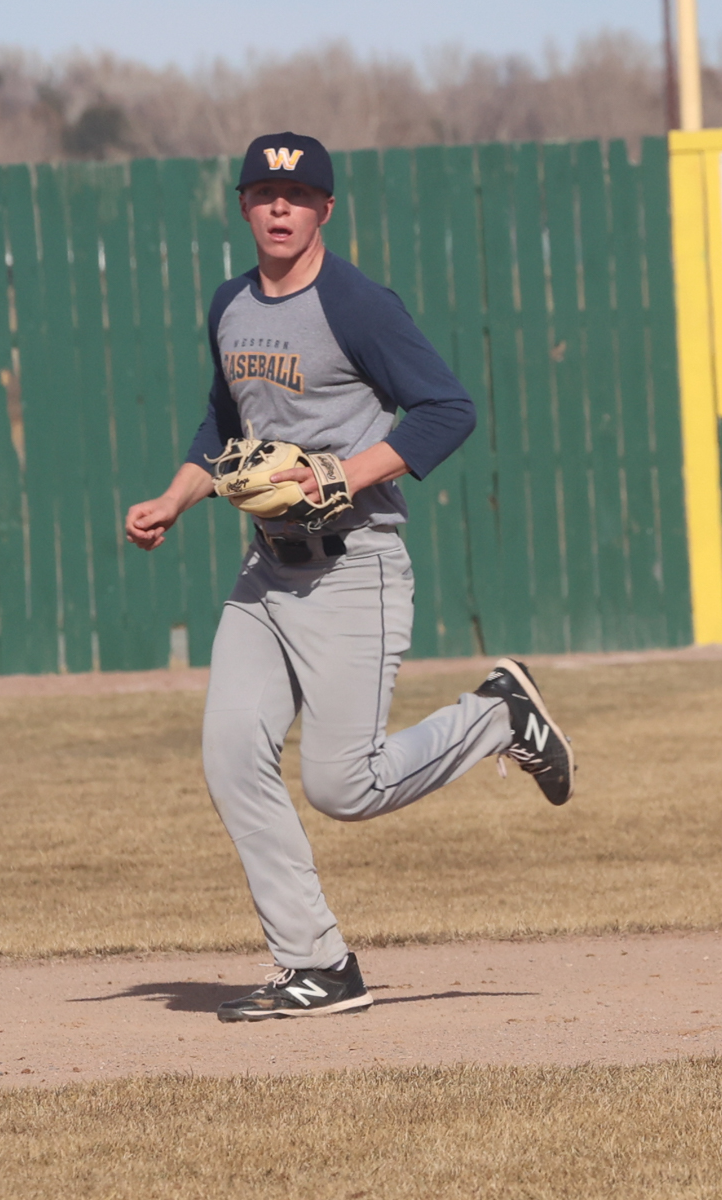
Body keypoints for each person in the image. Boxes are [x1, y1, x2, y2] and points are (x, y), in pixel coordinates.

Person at [124, 132, 575, 1022]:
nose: (279, 207)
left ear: (326, 208)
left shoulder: (357, 303)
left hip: (352, 562)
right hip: (264, 571)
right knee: (230, 759)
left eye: (297, 194)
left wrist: (345, 472)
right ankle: (320, 965)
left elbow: (449, 409)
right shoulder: (231, 303)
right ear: (244, 206)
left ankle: (497, 715)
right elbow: (225, 422)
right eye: (263, 192)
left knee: (343, 786)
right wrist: (180, 494)